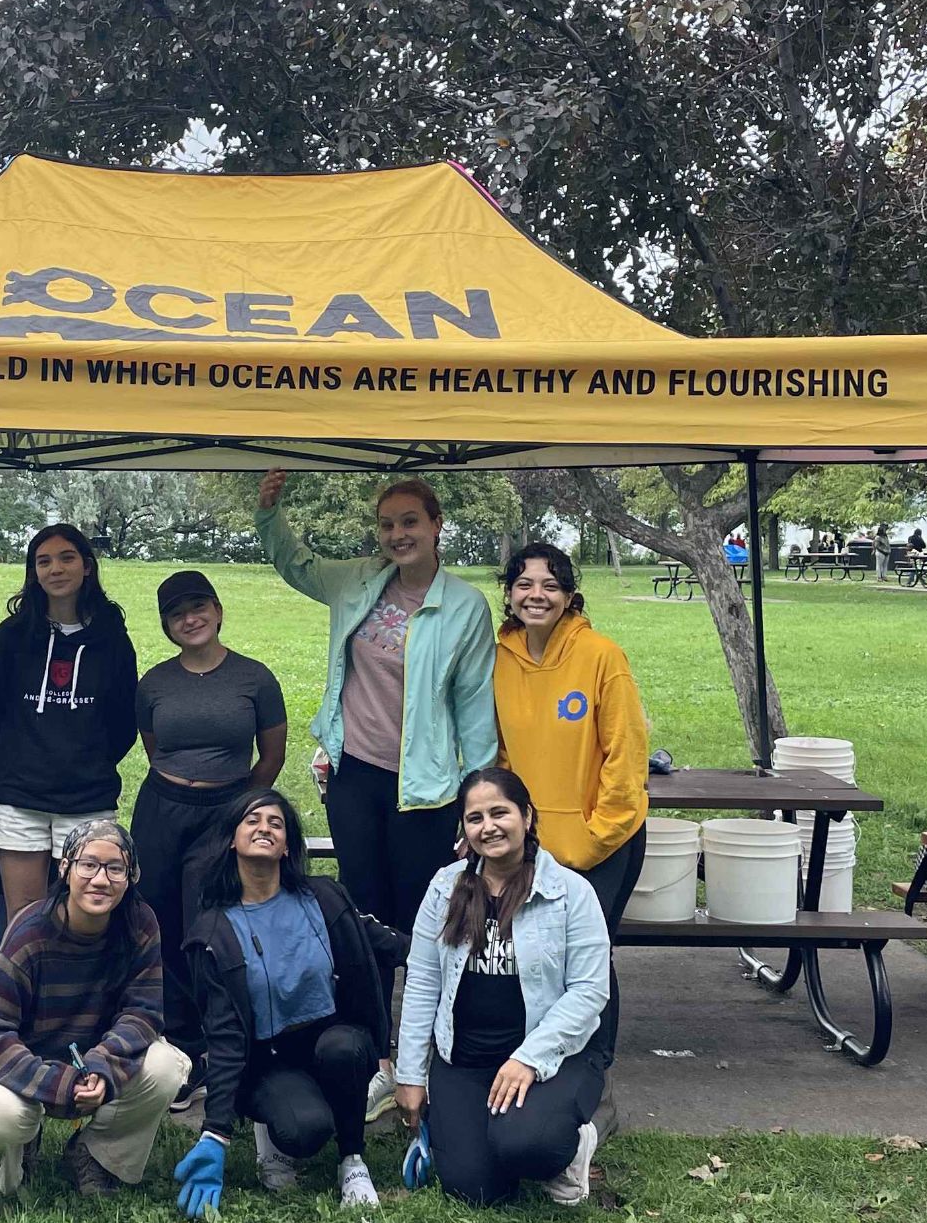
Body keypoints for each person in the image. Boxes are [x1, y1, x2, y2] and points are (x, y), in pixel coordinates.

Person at [256, 469, 496, 1120]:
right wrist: (268, 512)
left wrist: (478, 802)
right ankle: (378, 1059)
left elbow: (476, 713)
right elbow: (294, 563)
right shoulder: (357, 581)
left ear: (438, 525)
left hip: (426, 791)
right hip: (354, 777)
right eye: (387, 524)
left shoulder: (465, 607)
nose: (397, 535)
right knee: (361, 919)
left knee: (423, 923)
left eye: (410, 522)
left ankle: (424, 1058)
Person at [394, 766, 611, 1209]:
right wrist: (411, 1075)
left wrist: (528, 1059)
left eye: (500, 812)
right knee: (475, 1188)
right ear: (465, 830)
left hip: (548, 1059)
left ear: (527, 817)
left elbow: (590, 992)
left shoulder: (572, 893)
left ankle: (576, 1140)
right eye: (475, 818)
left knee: (528, 1146)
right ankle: (480, 1130)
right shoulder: (444, 888)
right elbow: (422, 982)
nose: (488, 827)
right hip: (466, 1062)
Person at [174, 789, 396, 1217]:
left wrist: (451, 943)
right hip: (266, 1060)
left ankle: (352, 1160)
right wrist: (215, 1133)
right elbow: (223, 1036)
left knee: (344, 1047)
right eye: (252, 821)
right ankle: (272, 1134)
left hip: (331, 1042)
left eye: (275, 823)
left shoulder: (324, 899)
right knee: (303, 1130)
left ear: (288, 844)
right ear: (231, 841)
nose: (264, 828)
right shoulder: (213, 933)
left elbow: (383, 944)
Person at [0, 820, 191, 1198]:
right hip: (16, 1058)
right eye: (88, 864)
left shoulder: (139, 924)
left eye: (116, 868)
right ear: (65, 869)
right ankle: (23, 1148)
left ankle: (95, 1155)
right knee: (2, 1117)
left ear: (130, 877)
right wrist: (57, 1084)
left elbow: (143, 1012)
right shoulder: (30, 931)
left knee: (168, 1066)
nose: (101, 879)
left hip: (91, 1057)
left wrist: (101, 1066)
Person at [492, 543, 647, 1089]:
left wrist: (594, 836)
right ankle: (539, 1058)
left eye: (550, 585)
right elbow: (505, 754)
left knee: (587, 955)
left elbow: (626, 758)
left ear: (569, 595)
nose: (537, 595)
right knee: (536, 950)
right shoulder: (499, 659)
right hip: (530, 845)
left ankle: (593, 1068)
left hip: (601, 842)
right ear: (509, 593)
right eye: (525, 584)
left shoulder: (602, 656)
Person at [130, 570, 288, 1085]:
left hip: (226, 810)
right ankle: (175, 1043)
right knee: (159, 919)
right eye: (177, 614)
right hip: (162, 807)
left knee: (211, 925)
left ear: (218, 611)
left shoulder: (254, 678)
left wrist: (239, 803)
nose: (190, 619)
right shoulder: (154, 682)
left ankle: (221, 1039)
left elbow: (273, 753)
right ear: (166, 626)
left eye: (199, 607)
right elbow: (156, 747)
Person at [0, 524, 139, 920]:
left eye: (66, 558)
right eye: (44, 561)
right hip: (19, 799)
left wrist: (89, 760)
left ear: (87, 566)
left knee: (86, 915)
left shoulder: (112, 639)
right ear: (33, 572)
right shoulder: (10, 637)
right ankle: (27, 986)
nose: (56, 569)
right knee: (24, 918)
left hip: (87, 800)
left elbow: (124, 720)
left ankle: (81, 986)